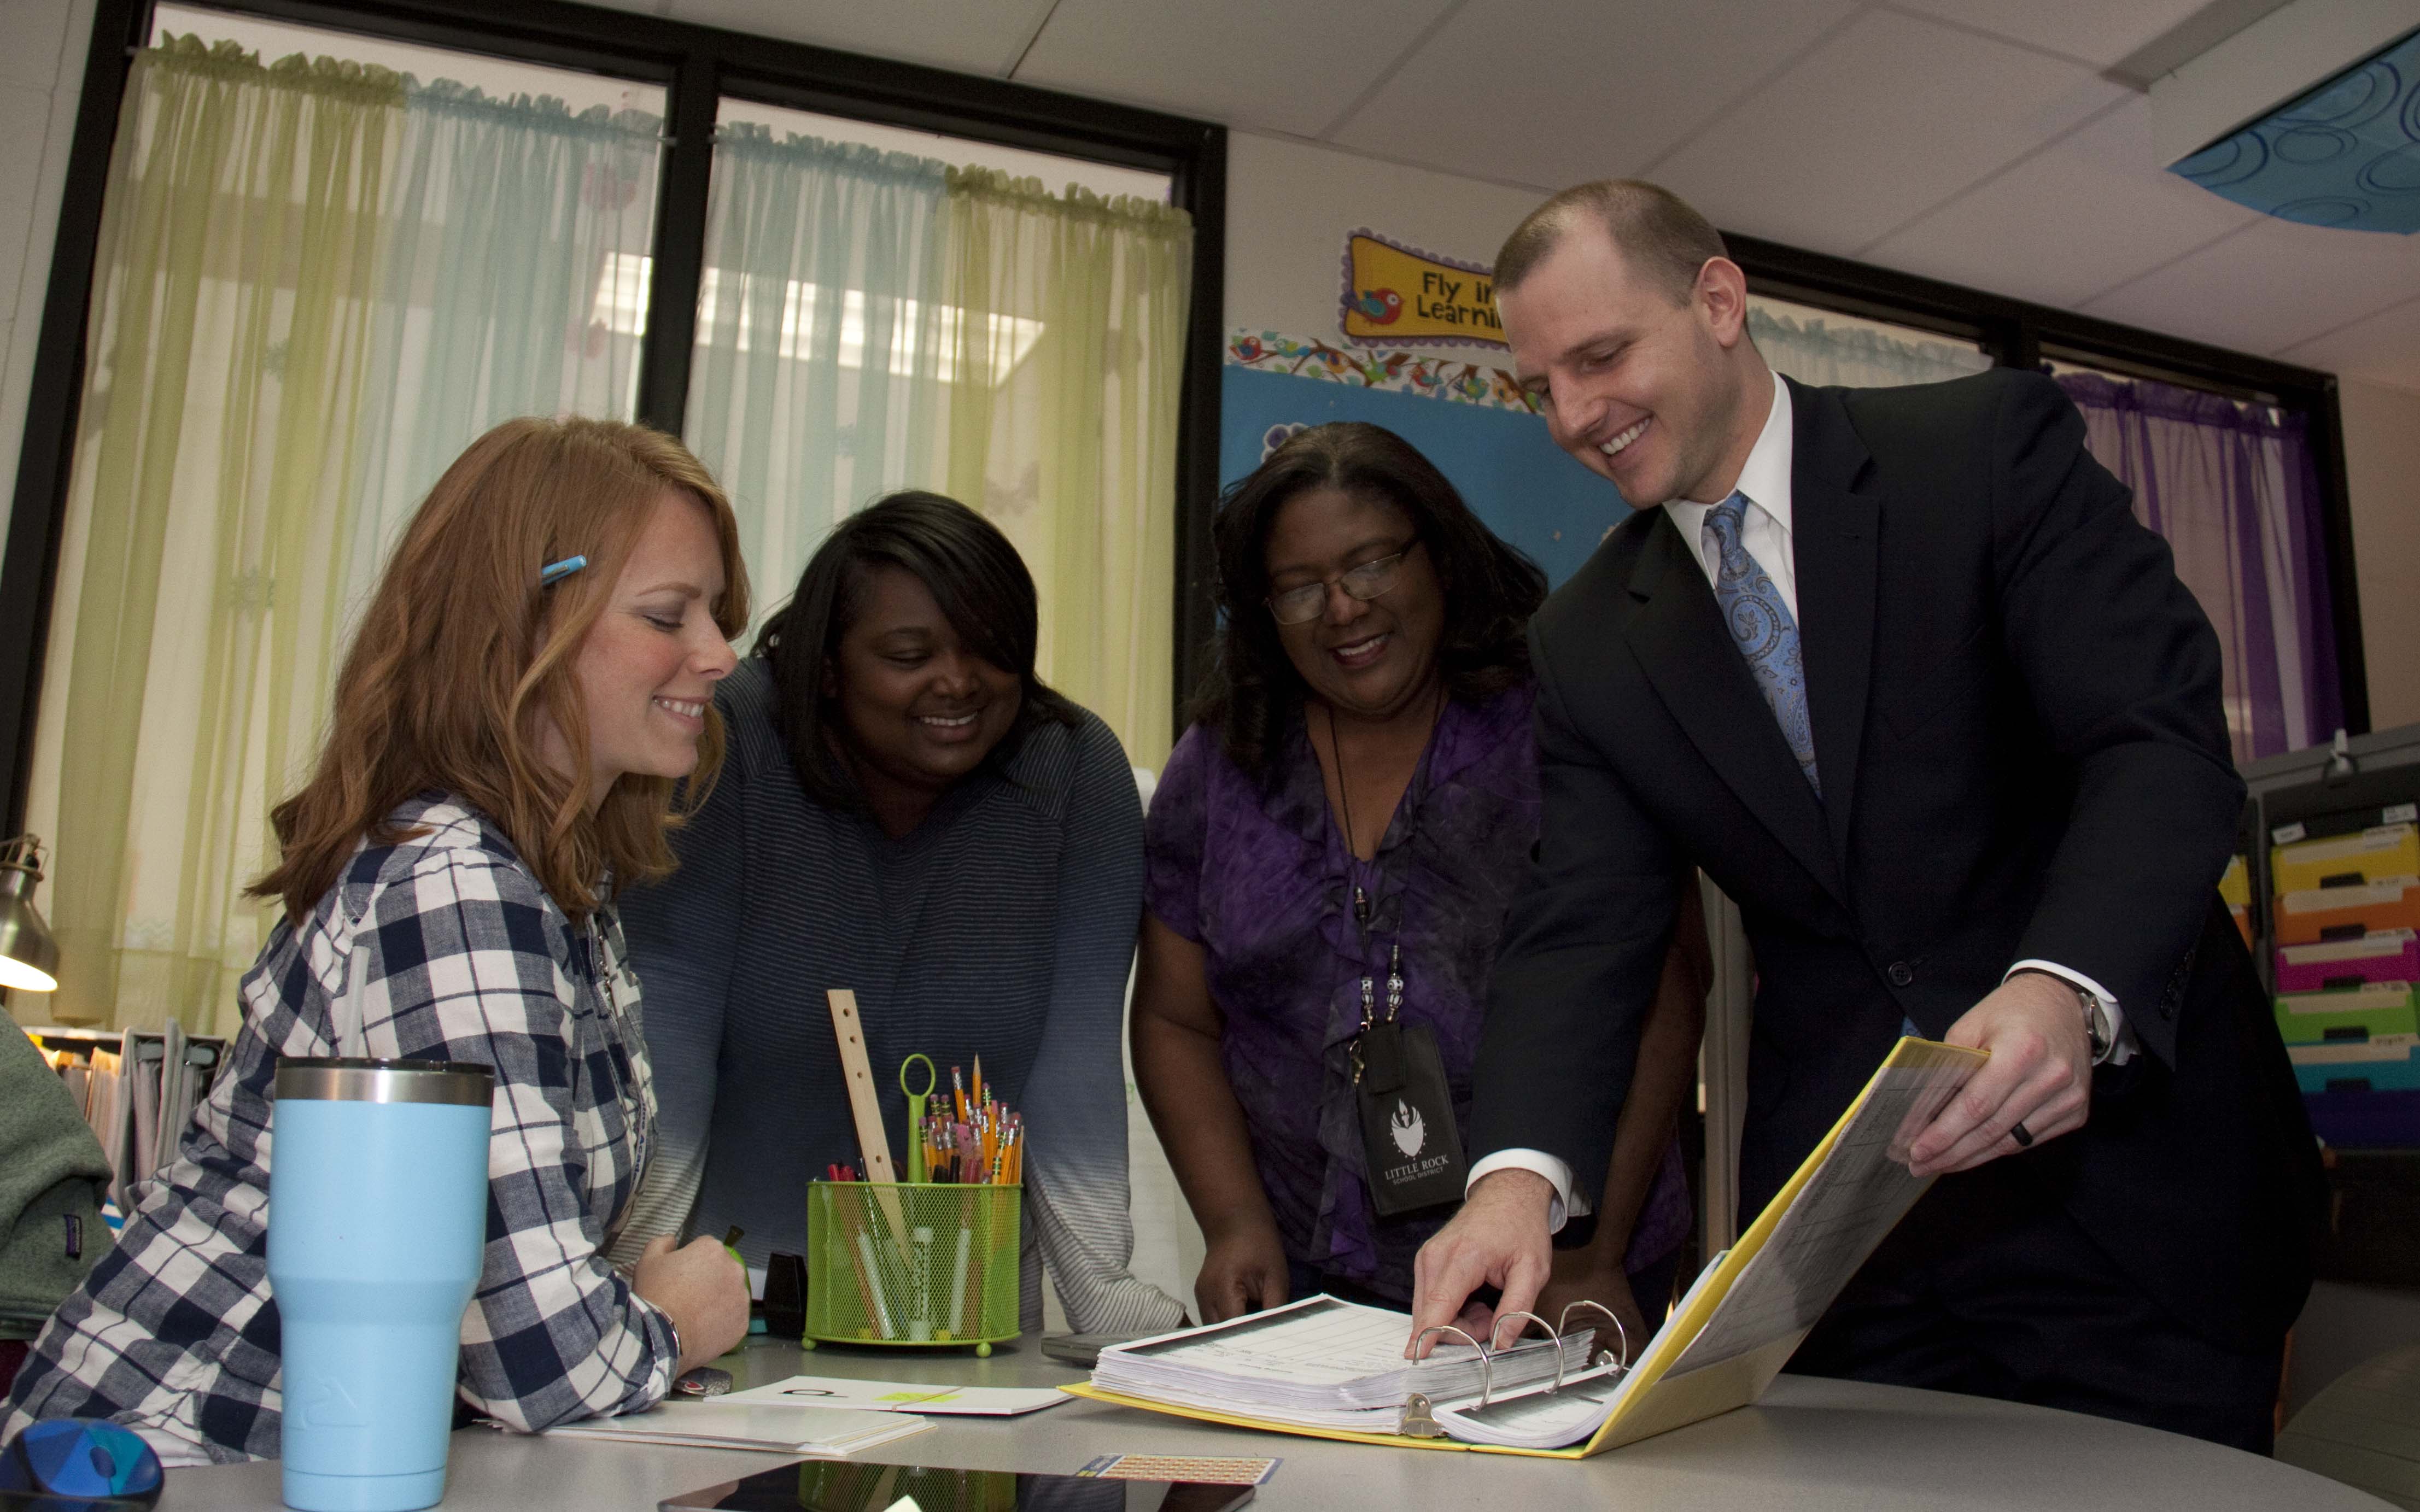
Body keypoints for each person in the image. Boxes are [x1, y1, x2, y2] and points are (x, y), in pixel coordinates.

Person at [1408, 180, 2322, 1452]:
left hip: (2132, 1202)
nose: (1572, 417)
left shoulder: (1981, 451)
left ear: (1716, 301)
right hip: (1860, 1259)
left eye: (1600, 357)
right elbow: (1581, 926)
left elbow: (2153, 745)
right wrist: (1515, 1181)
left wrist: (2062, 988)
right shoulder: (1588, 639)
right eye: (1539, 388)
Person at [0, 418, 755, 1463]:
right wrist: (675, 1319)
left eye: (716, 614)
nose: (719, 655)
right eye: (668, 614)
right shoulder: (458, 882)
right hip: (162, 1464)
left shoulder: (557, 888)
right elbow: (545, 1361)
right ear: (523, 624)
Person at [1132, 421, 1705, 1348]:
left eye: (1370, 564)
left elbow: (1662, 989)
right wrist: (1232, 1220)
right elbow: (1175, 1017)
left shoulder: (1561, 723)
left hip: (1557, 1263)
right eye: (1298, 587)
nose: (1342, 608)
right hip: (1303, 1277)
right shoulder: (1222, 762)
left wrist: (1590, 1253)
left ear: (1437, 555)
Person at [615, 491, 1184, 1338]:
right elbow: (668, 1033)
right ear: (828, 666)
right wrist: (638, 1285)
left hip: (962, 1309)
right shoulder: (724, 743)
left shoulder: (1073, 770)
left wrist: (1102, 1289)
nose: (957, 682)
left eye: (991, 650)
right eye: (909, 655)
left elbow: (1074, 1060)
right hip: (729, 1303)